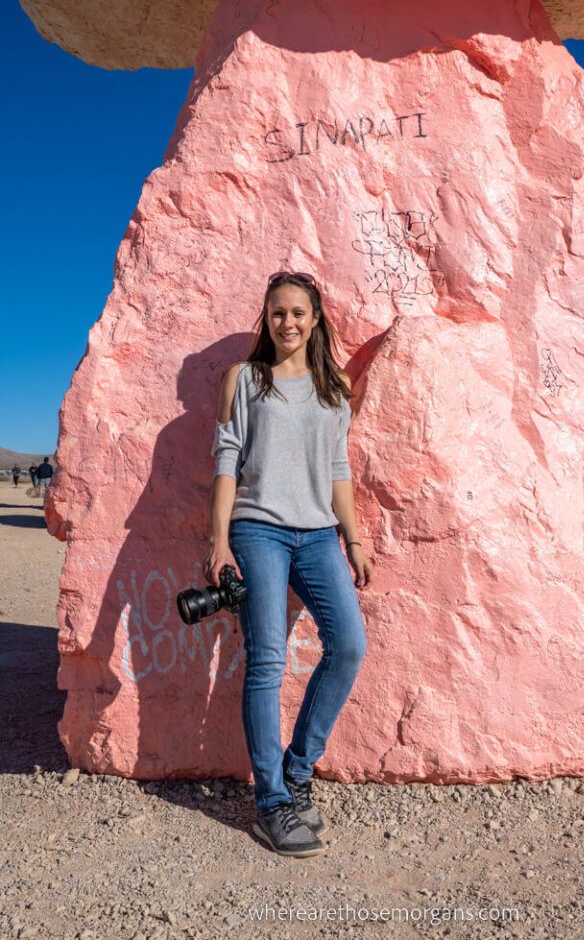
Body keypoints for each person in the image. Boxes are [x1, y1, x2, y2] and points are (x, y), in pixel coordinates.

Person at [206, 270, 373, 859]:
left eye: (298, 312)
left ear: (315, 318)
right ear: (266, 318)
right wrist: (219, 542)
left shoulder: (334, 387)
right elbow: (226, 461)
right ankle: (272, 803)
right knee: (268, 661)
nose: (287, 323)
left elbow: (338, 469)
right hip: (258, 531)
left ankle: (298, 770)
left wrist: (353, 539)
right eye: (277, 312)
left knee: (348, 645)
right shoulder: (245, 379)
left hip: (320, 535)